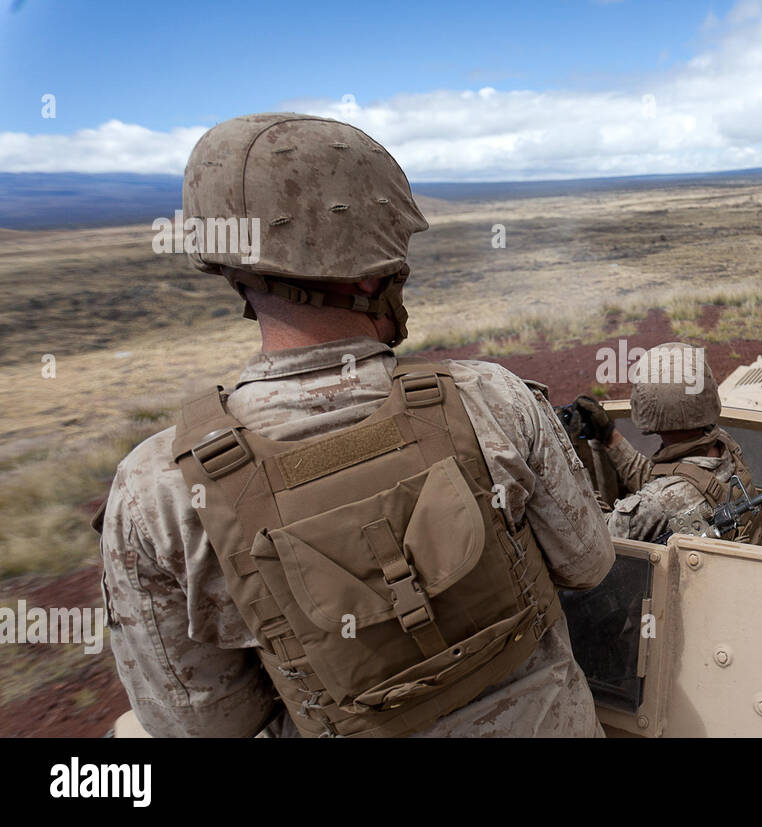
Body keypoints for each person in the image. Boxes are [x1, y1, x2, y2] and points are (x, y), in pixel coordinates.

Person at [95, 113, 615, 738]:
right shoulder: (490, 398)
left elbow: (198, 724)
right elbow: (588, 564)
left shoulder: (157, 488)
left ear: (231, 269)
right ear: (373, 274)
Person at [573, 343, 762, 546]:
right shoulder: (725, 444)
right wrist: (610, 438)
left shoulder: (658, 503)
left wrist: (572, 470)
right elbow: (665, 481)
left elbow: (598, 537)